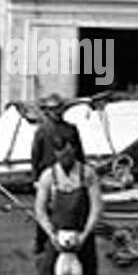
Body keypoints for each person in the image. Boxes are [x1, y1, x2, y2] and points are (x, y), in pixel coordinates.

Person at [33, 134, 103, 275]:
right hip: (58, 236)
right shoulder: (49, 176)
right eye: (62, 155)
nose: (67, 159)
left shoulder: (87, 174)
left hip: (81, 235)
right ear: (56, 154)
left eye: (70, 154)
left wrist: (85, 234)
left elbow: (96, 207)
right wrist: (51, 234)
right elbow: (40, 209)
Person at [29, 93, 85, 254]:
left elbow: (79, 153)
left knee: (70, 208)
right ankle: (41, 241)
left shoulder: (71, 130)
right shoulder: (42, 131)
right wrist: (35, 178)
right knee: (44, 210)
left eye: (58, 109)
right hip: (47, 175)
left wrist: (82, 173)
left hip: (68, 173)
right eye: (53, 110)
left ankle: (70, 240)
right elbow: (35, 155)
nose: (56, 112)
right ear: (48, 111)